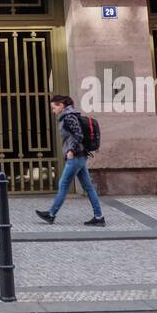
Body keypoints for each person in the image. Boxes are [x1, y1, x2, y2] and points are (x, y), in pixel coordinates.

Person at [35, 94, 105, 226]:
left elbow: (79, 135)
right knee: (88, 187)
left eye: (54, 107)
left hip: (76, 157)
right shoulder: (68, 116)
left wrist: (71, 151)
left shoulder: (69, 117)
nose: (53, 111)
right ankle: (99, 216)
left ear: (61, 106)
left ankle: (51, 214)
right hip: (80, 157)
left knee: (63, 185)